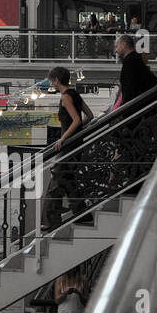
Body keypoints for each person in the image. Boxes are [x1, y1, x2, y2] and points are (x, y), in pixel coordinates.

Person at [45, 66, 96, 229]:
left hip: (69, 145)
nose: (51, 84)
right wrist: (77, 133)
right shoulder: (75, 94)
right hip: (76, 143)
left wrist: (63, 138)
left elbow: (76, 120)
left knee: (58, 177)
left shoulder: (66, 97)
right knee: (67, 179)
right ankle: (80, 213)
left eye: (51, 81)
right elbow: (90, 116)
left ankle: (53, 219)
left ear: (56, 80)